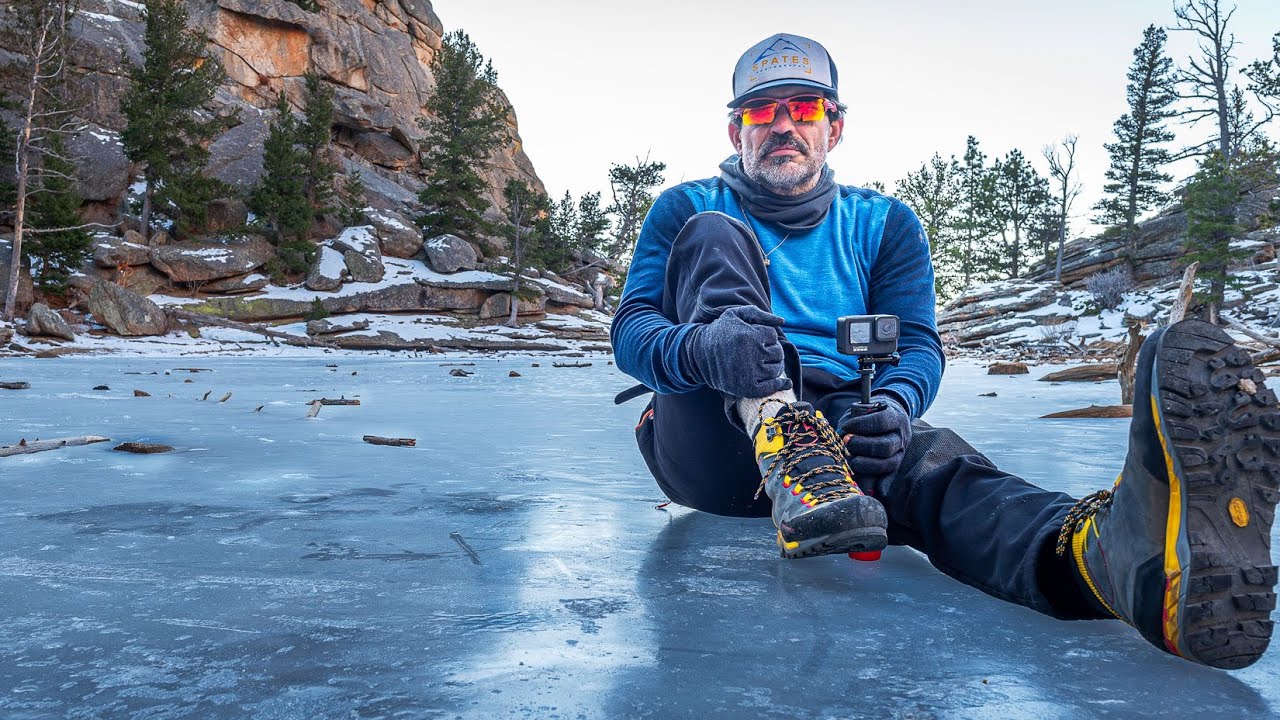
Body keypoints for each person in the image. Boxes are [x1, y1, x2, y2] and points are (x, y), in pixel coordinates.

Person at [610, 32, 1280, 670]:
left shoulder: (885, 224)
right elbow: (633, 332)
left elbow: (918, 345)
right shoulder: (685, 206)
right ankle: (777, 425)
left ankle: (1113, 563)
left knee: (939, 468)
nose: (782, 124)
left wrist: (896, 407)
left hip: (837, 434)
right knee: (713, 233)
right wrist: (701, 347)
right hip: (709, 430)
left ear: (832, 126)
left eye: (804, 107)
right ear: (737, 131)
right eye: (761, 110)